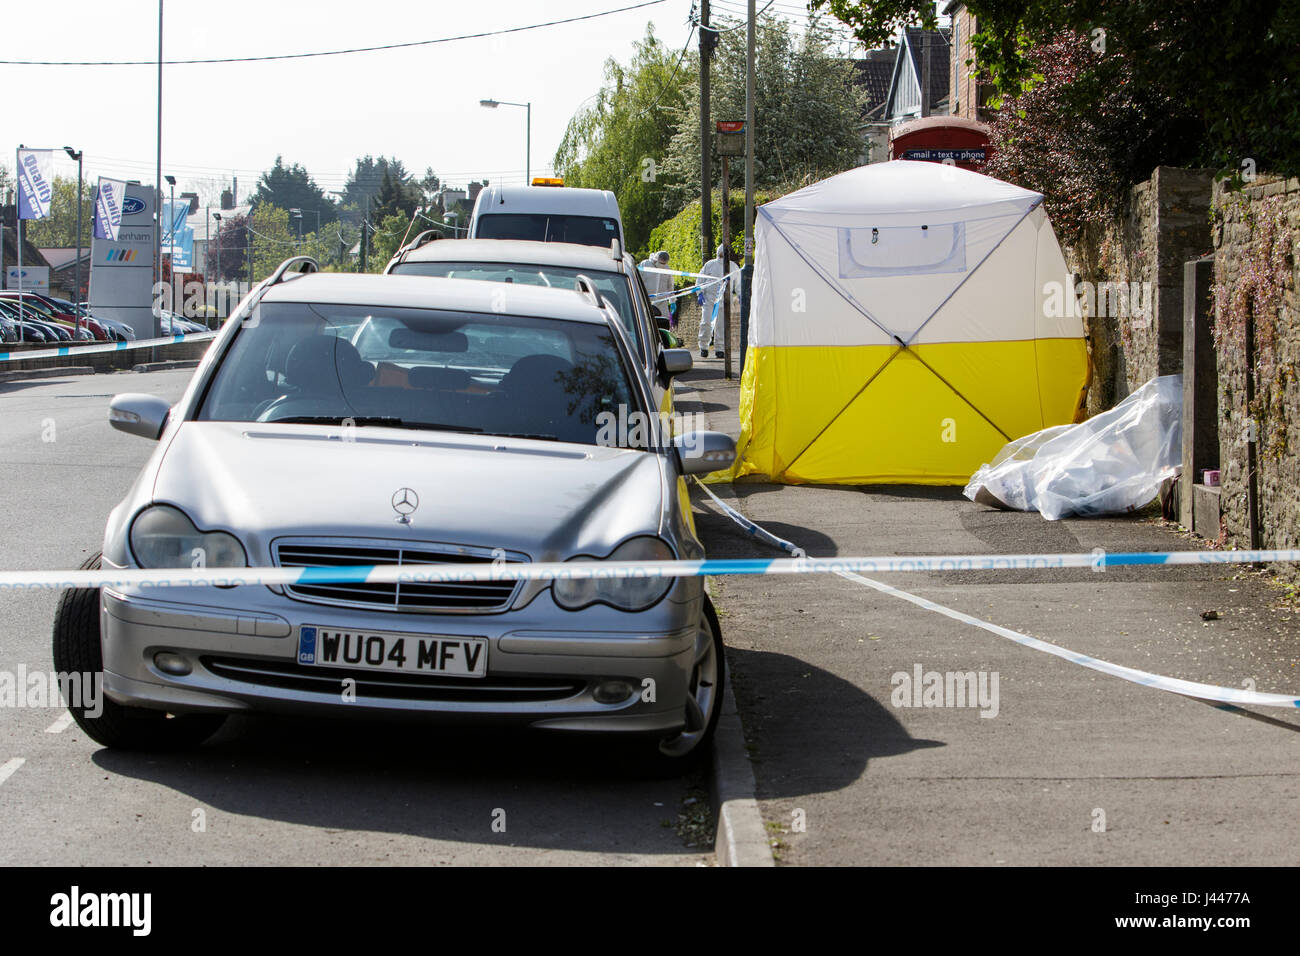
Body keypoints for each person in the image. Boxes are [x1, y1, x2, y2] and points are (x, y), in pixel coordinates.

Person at [698, 243, 742, 359]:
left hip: (725, 300)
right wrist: (700, 293)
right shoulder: (710, 264)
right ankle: (703, 347)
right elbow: (700, 279)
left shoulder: (733, 266)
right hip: (709, 299)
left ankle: (720, 349)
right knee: (706, 323)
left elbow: (738, 283)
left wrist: (740, 295)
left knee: (721, 326)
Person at [639, 250, 674, 323]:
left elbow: (670, 286)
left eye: (664, 263)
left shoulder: (667, 268)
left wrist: (672, 301)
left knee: (664, 322)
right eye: (661, 263)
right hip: (646, 300)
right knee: (645, 322)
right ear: (655, 260)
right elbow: (638, 280)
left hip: (662, 302)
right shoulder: (645, 264)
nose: (663, 265)